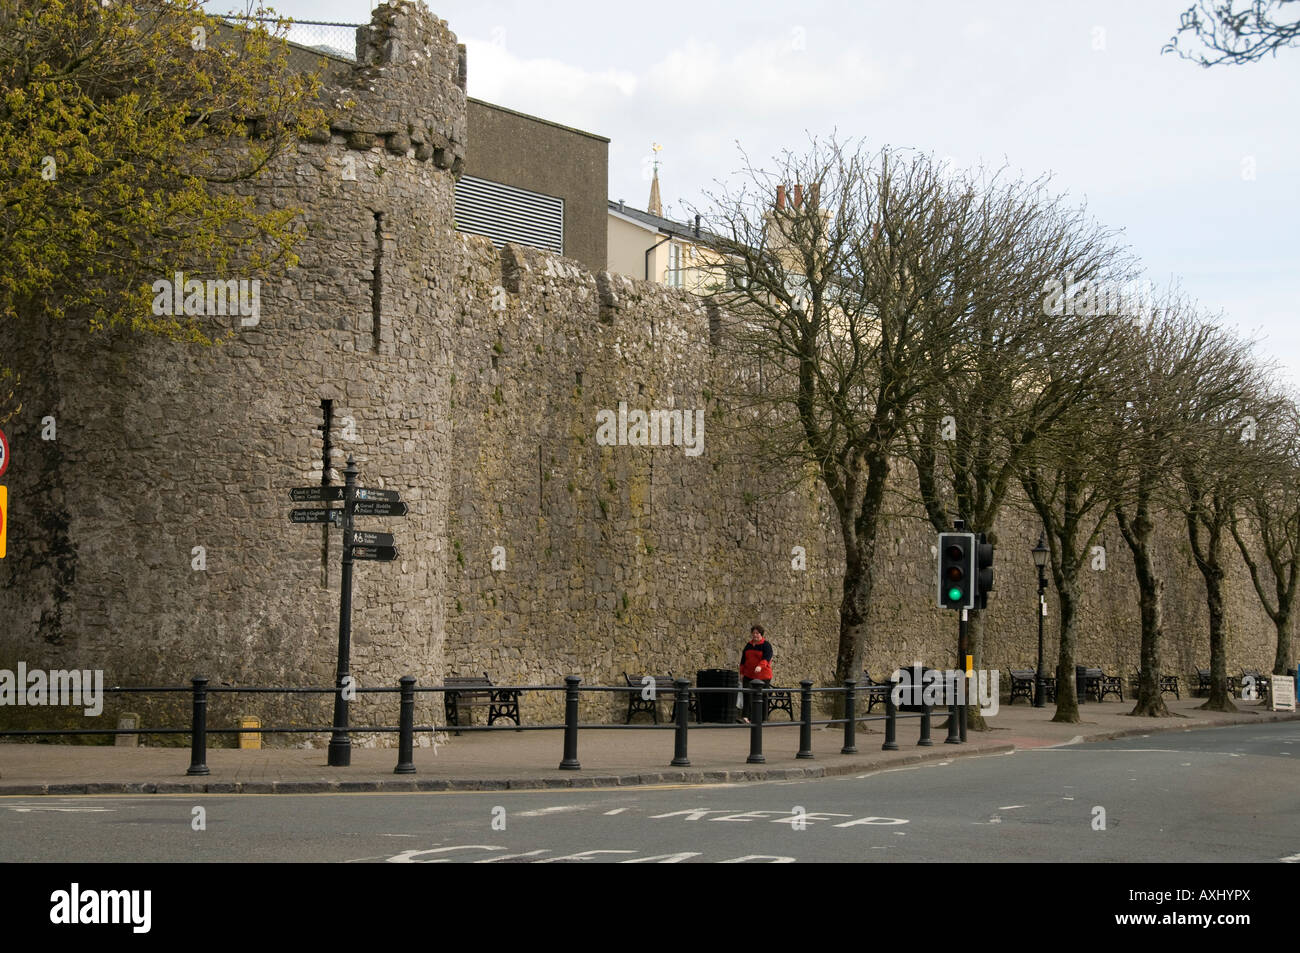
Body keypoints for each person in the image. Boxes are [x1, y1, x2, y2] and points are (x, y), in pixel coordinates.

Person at [737, 624, 773, 724]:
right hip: (749, 674)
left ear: (761, 634)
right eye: (753, 633)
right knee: (747, 694)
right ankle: (745, 717)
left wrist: (760, 666)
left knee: (763, 696)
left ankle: (763, 718)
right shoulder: (748, 645)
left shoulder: (766, 645)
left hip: (763, 675)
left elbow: (767, 657)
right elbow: (743, 660)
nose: (755, 635)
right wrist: (741, 672)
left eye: (757, 633)